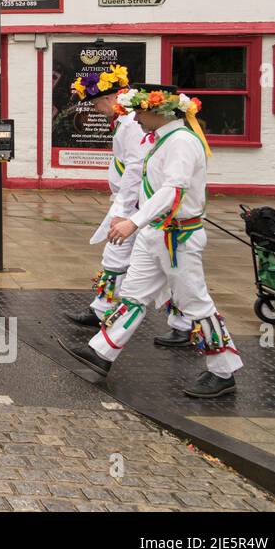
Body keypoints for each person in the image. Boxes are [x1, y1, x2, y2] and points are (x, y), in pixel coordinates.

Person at [58, 84, 242, 398]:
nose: (136, 116)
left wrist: (133, 221)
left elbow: (173, 191)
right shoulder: (159, 139)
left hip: (178, 238)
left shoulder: (181, 142)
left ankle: (223, 372)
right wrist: (133, 217)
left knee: (194, 302)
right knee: (132, 294)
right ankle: (102, 352)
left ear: (159, 110)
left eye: (140, 110)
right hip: (154, 232)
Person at [63, 67, 194, 346]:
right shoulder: (128, 124)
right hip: (139, 207)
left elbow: (137, 168)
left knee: (156, 268)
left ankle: (183, 322)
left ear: (111, 99)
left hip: (139, 208)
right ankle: (104, 315)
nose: (97, 109)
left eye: (98, 103)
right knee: (145, 266)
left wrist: (124, 212)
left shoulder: (133, 125)